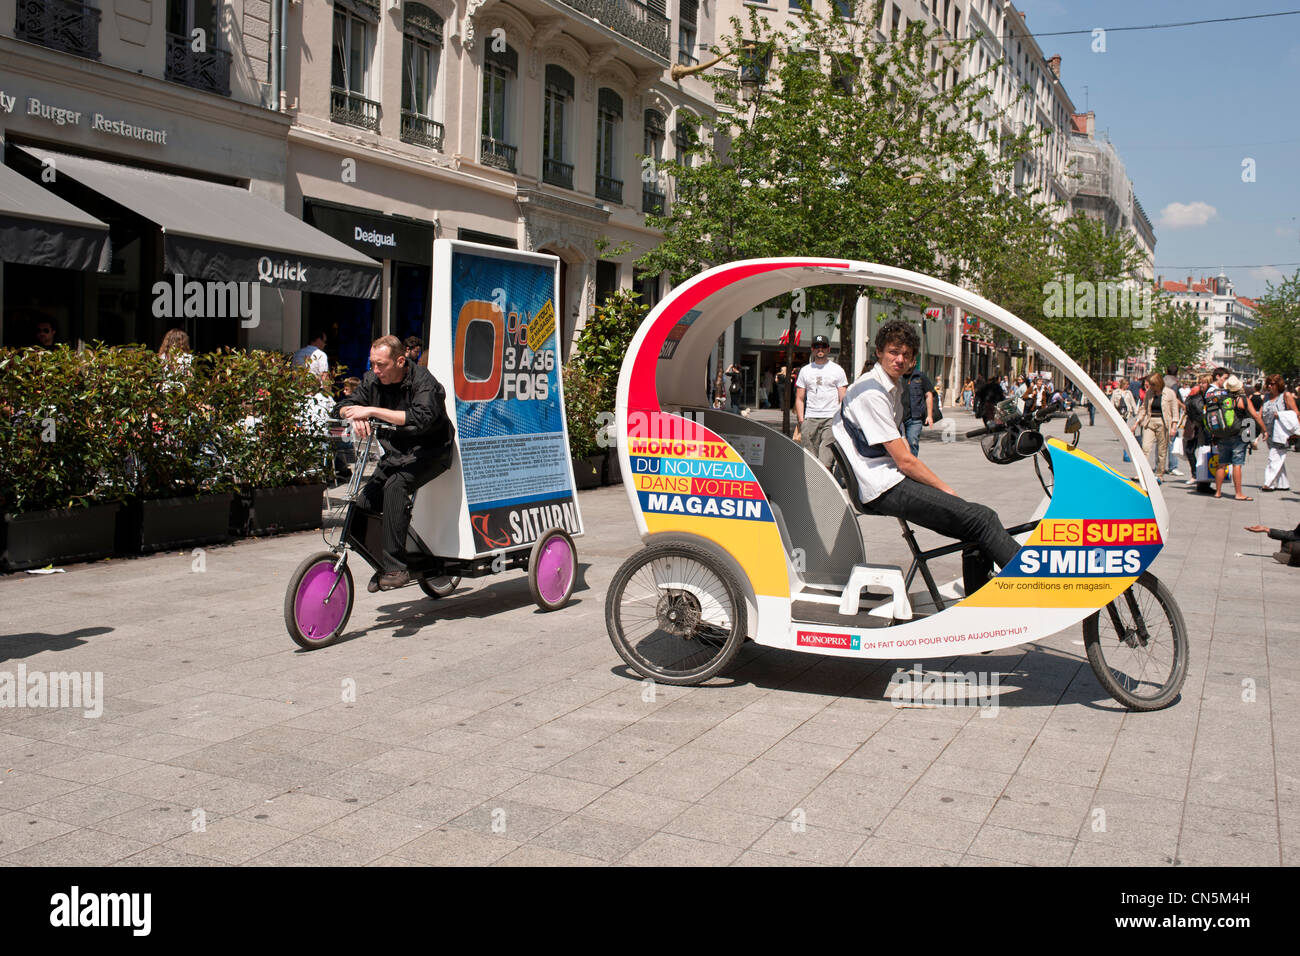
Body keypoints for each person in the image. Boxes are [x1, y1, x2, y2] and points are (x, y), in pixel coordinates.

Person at [833, 320, 1020, 592]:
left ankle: (978, 608)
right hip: (884, 487)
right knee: (983, 519)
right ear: (879, 353)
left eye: (906, 355)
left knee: (975, 526)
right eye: (893, 352)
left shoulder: (890, 387)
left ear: (912, 360)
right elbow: (904, 460)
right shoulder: (871, 392)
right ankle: (1035, 586)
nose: (899, 359)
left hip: (888, 480)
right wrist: (946, 490)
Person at [335, 335, 455, 591]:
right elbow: (346, 404)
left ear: (400, 361)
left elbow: (419, 418)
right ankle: (384, 560)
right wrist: (353, 415)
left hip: (431, 452)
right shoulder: (372, 380)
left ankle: (396, 568)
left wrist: (371, 411)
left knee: (396, 488)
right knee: (364, 503)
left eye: (381, 365)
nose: (375, 370)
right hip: (396, 454)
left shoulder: (424, 383)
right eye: (372, 364)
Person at [795, 336, 849, 467]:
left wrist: (841, 419)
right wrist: (802, 420)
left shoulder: (837, 370)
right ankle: (815, 487)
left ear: (828, 349)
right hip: (810, 419)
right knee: (811, 461)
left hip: (831, 419)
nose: (820, 349)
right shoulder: (805, 370)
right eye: (817, 346)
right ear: (812, 349)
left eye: (823, 346)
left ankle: (825, 486)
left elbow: (844, 397)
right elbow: (799, 398)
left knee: (826, 461)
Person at [1212, 375, 1266, 501]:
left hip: (1223, 434)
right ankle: (1238, 493)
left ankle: (1218, 492)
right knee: (1237, 464)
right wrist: (1264, 430)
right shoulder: (1243, 399)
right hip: (1239, 436)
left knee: (1222, 463)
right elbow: (1256, 416)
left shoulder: (1221, 399)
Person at [1133, 371, 1175, 481]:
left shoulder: (1169, 393)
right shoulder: (1149, 393)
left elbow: (1175, 412)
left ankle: (1159, 473)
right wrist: (1136, 422)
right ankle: (1142, 473)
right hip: (1150, 421)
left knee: (1162, 451)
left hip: (1163, 422)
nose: (1150, 387)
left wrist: (1174, 427)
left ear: (1158, 383)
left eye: (1152, 384)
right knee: (1145, 448)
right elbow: (1144, 408)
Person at [1260, 374, 1298, 492]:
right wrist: (1262, 429)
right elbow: (1260, 413)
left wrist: (1281, 415)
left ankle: (1268, 483)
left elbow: (1296, 413)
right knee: (1277, 457)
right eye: (1268, 384)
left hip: (1281, 432)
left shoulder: (1285, 396)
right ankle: (1283, 483)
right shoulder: (1266, 397)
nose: (1270, 386)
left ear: (1278, 384)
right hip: (1269, 431)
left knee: (1274, 457)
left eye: (1272, 384)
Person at [899, 359, 937, 456]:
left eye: (911, 360)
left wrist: (929, 415)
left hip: (914, 418)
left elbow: (929, 395)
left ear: (915, 362)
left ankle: (912, 465)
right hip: (899, 418)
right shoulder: (898, 376)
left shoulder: (920, 376)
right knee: (899, 445)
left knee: (912, 441)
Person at [1163, 367, 1185, 476]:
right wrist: (1184, 406)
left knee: (1161, 441)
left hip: (1162, 413)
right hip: (1171, 414)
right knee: (1173, 440)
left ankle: (1160, 466)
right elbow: (1174, 398)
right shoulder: (1174, 384)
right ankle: (1173, 466)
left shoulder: (1162, 381)